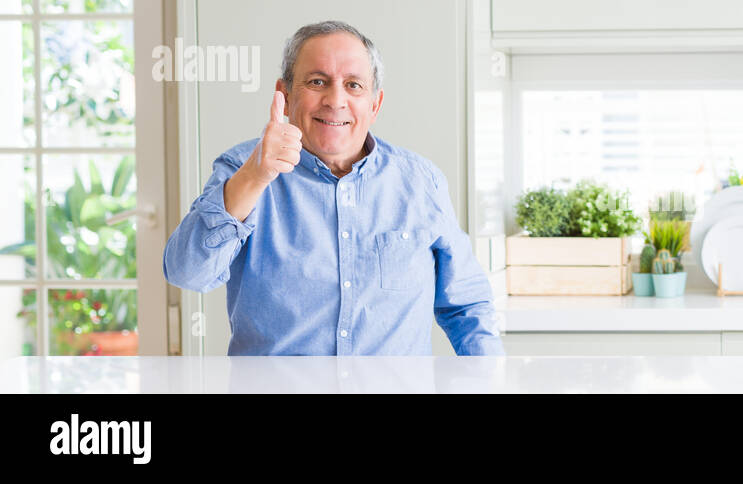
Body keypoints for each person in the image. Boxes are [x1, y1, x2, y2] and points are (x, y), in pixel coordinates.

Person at [163, 21, 504, 356]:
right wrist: (255, 177)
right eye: (317, 81)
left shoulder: (420, 181)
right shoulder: (243, 168)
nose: (335, 100)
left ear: (375, 103)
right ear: (284, 95)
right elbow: (187, 273)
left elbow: (467, 305)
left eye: (354, 85)